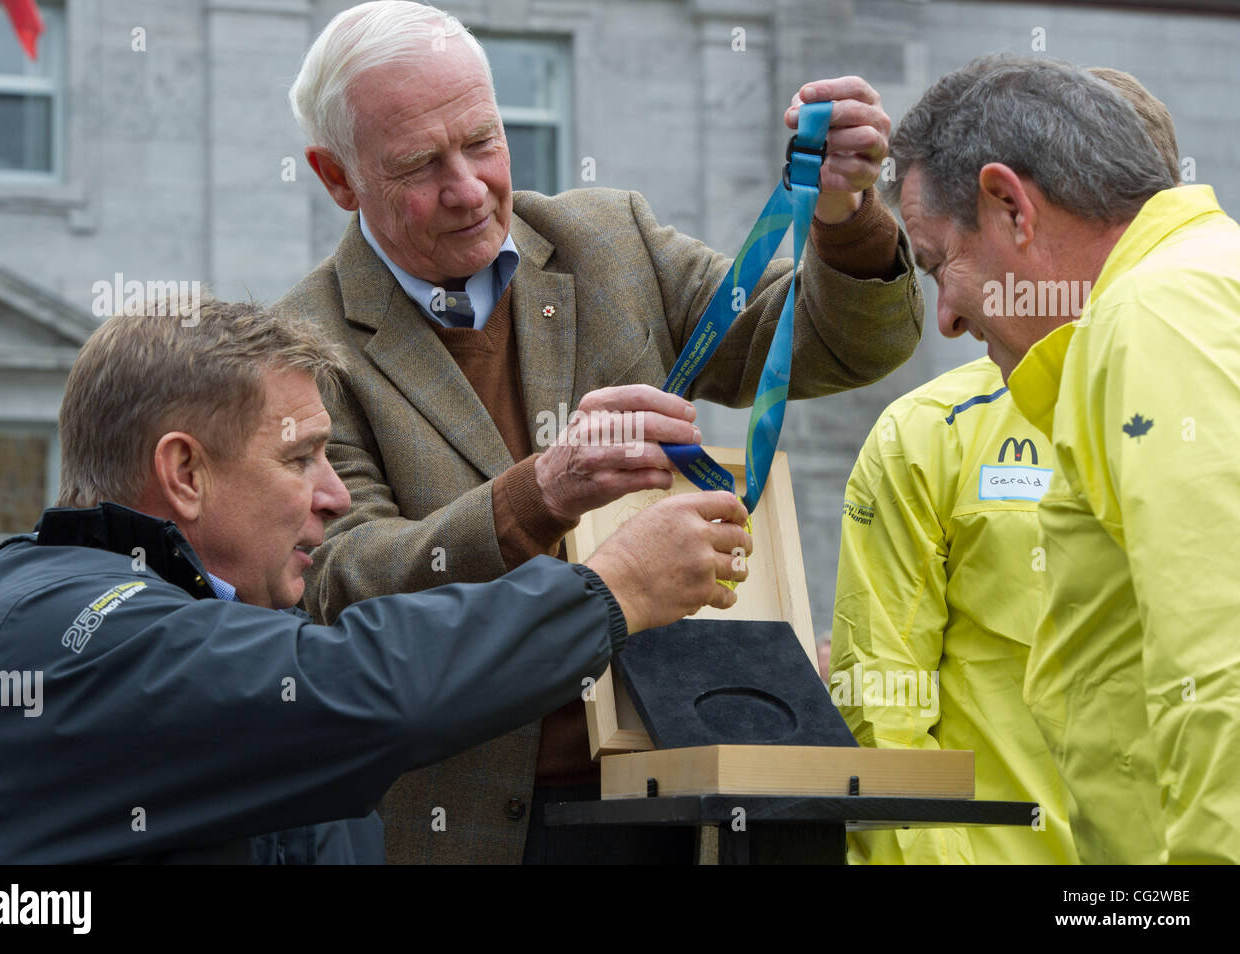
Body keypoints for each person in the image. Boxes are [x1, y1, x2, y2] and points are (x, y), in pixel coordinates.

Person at [277, 0, 923, 864]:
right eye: (419, 166)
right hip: (461, 827)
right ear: (337, 177)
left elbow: (840, 345)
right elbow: (343, 587)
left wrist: (848, 216)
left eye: (482, 142)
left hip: (676, 802)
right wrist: (537, 494)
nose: (468, 187)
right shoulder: (298, 349)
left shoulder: (608, 239)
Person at [0, 299, 751, 864]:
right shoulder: (71, 629)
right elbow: (361, 684)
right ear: (184, 472)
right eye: (299, 457)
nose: (333, 494)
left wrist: (545, 497)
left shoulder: (154, 617)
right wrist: (610, 588)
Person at [887, 53, 1240, 864]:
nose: (944, 317)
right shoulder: (1191, 289)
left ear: (1010, 205)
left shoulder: (1156, 316)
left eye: (941, 264)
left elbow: (1221, 667)